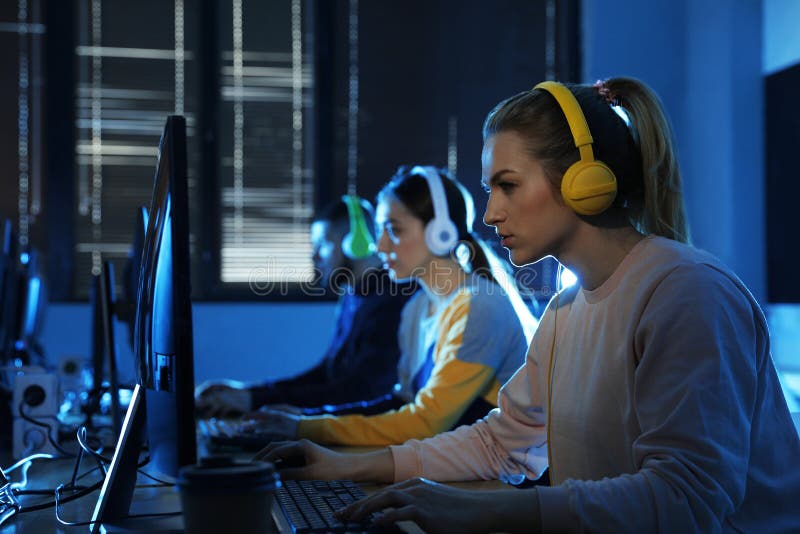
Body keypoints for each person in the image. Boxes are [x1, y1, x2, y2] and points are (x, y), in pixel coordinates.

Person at [255, 78, 800, 533]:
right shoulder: (564, 310)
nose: (490, 214)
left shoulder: (687, 292)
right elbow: (502, 442)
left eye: (508, 186)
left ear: (586, 183)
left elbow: (687, 500)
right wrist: (340, 465)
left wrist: (487, 510)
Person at [244, 165, 536, 446]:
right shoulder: (418, 307)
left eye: (393, 230)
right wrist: (306, 419)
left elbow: (425, 422)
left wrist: (309, 428)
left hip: (502, 483)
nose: (380, 246)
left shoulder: (479, 307)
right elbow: (403, 402)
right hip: (454, 470)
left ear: (440, 232)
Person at [195, 196, 414, 416]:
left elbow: (361, 391)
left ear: (354, 244)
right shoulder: (353, 296)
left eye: (322, 244)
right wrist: (249, 391)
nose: (314, 255)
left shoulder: (390, 303)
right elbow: (328, 372)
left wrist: (257, 401)